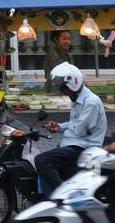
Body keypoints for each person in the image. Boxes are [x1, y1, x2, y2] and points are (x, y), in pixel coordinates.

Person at [35, 62, 108, 197]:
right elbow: (76, 123)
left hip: (83, 148)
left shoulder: (91, 102)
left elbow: (79, 130)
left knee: (42, 160)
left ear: (72, 83)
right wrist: (59, 127)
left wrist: (63, 128)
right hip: (73, 144)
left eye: (63, 87)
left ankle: (59, 198)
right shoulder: (77, 98)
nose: (62, 91)